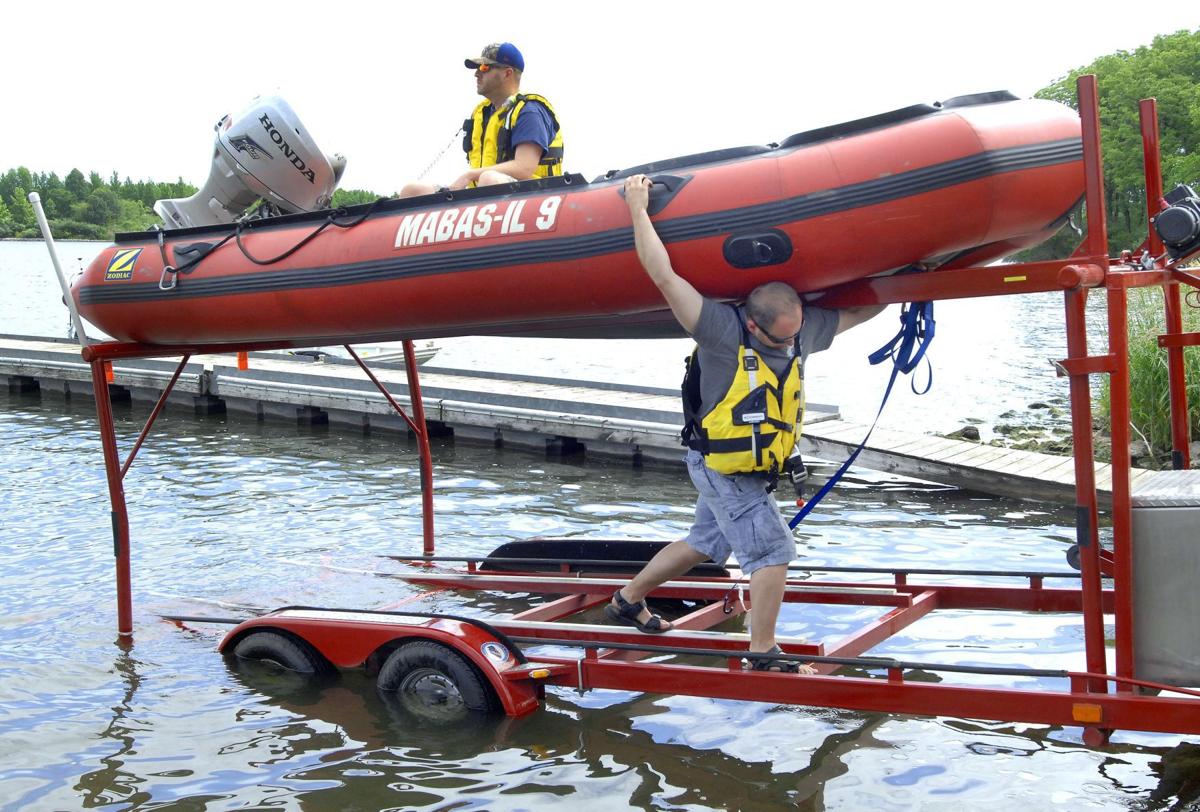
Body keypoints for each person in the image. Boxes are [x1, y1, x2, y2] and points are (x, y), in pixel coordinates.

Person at [604, 174, 886, 674]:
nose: (790, 345)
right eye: (780, 339)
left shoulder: (800, 332)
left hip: (749, 465)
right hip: (721, 464)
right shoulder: (720, 331)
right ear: (753, 324)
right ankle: (762, 652)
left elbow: (861, 311)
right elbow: (664, 276)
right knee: (774, 549)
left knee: (706, 543)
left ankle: (627, 601)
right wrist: (638, 208)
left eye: (795, 335)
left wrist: (917, 275)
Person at [399, 43, 563, 198]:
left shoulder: (530, 111)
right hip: (482, 196)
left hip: (536, 197)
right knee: (412, 190)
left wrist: (470, 175)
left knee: (489, 179)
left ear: (507, 73)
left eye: (485, 67)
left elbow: (524, 167)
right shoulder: (482, 113)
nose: (477, 73)